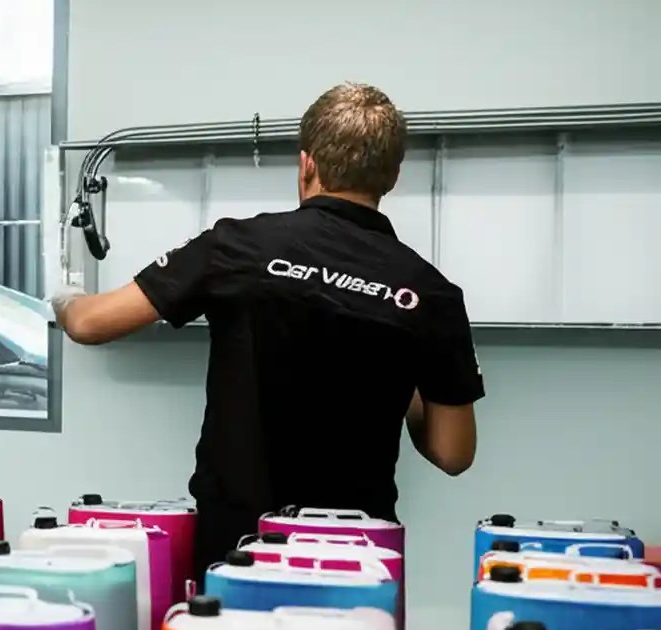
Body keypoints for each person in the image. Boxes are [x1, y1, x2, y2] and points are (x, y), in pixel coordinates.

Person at [52, 83, 484, 580]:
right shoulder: (432, 294)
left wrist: (63, 296)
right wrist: (403, 382)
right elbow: (453, 453)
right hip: (356, 556)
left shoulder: (236, 247)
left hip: (237, 546)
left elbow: (88, 324)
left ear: (307, 164)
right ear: (392, 176)